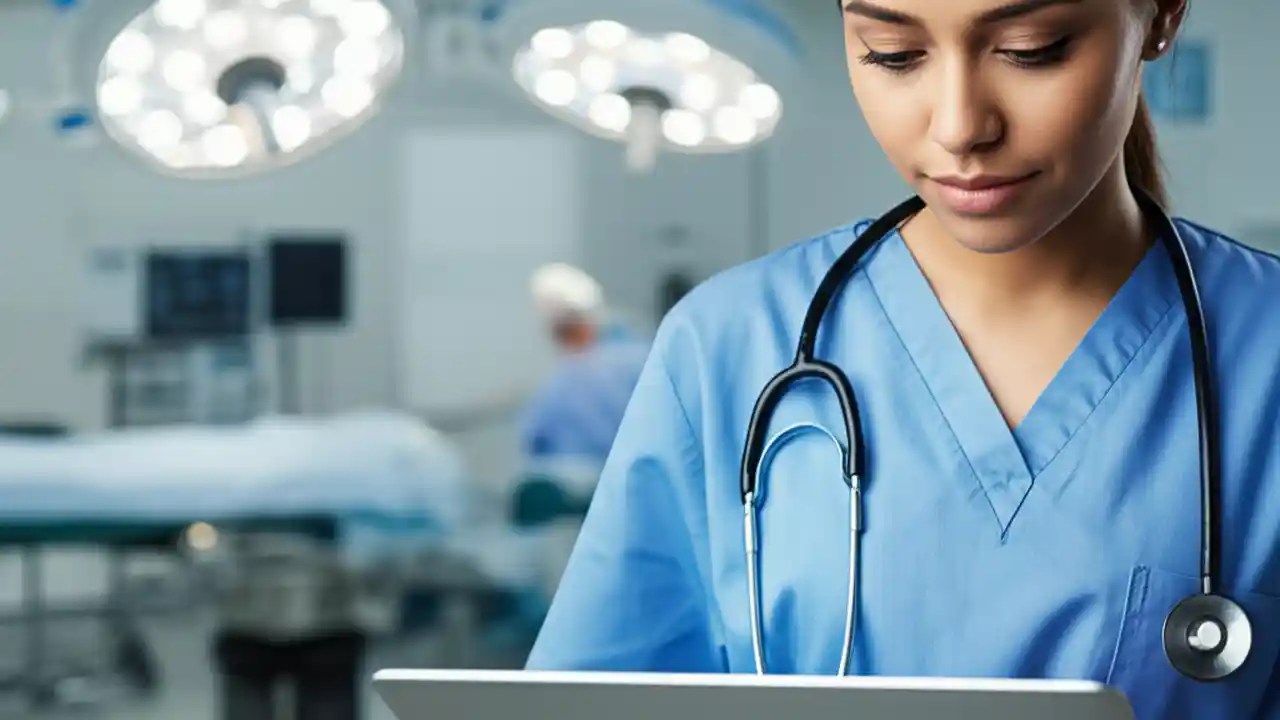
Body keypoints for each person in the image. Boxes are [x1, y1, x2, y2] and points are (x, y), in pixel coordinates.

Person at [525, 2, 1280, 719]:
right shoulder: (726, 345)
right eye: (894, 54)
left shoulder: (1263, 350)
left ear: (1162, 14)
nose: (959, 127)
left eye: (1031, 50)